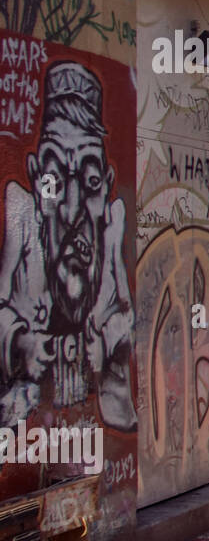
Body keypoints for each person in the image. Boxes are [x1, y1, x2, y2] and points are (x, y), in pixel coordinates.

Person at [0, 60, 134, 429]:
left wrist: (107, 341)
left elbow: (128, 315)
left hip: (91, 415)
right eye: (54, 180)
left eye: (90, 182)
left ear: (106, 184)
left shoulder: (111, 227)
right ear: (34, 174)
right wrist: (19, 342)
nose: (72, 208)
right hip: (28, 414)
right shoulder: (22, 216)